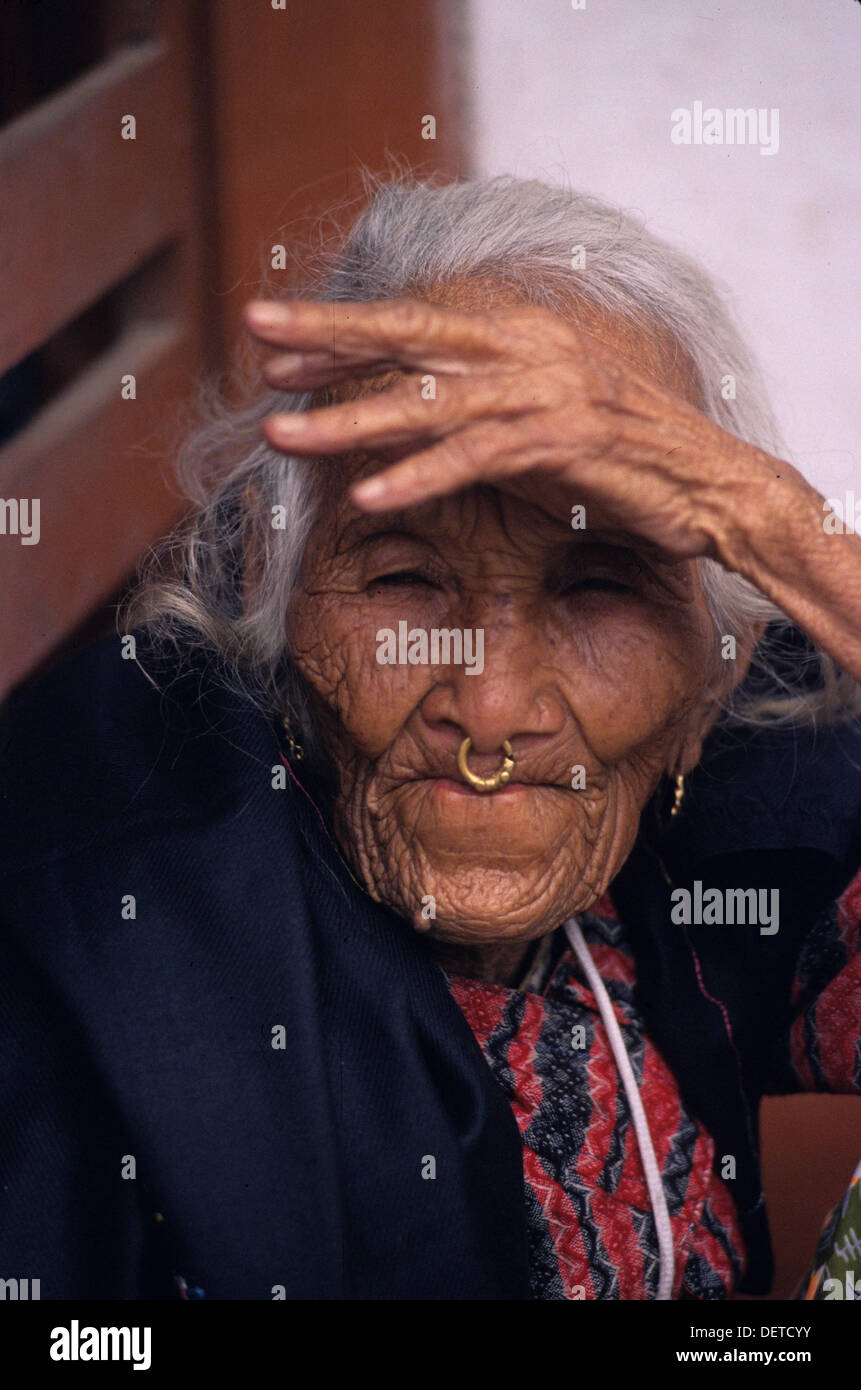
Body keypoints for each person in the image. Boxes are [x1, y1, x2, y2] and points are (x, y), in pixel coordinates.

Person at [2, 176, 859, 1300]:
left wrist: (782, 526)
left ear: (719, 676)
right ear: (276, 592)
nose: (492, 706)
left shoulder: (731, 827)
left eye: (597, 589)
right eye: (405, 578)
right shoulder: (105, 926)